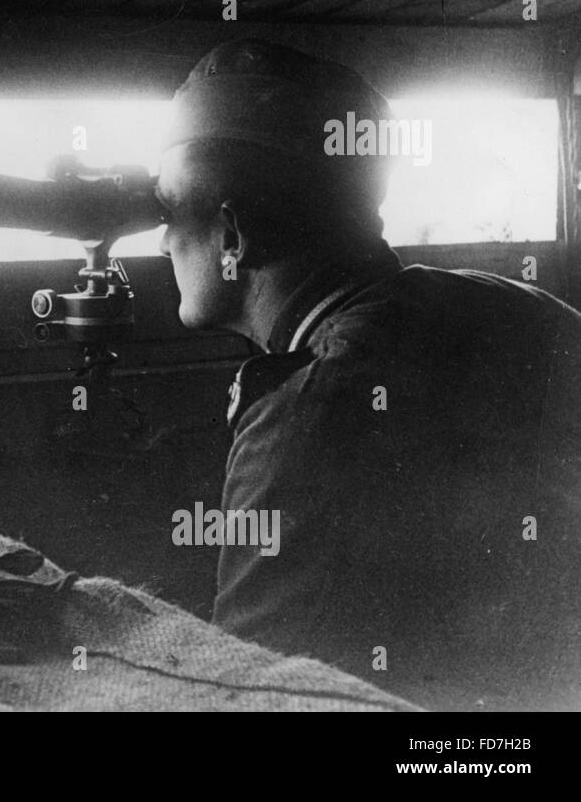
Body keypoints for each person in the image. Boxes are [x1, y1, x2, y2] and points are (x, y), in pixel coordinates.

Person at [154, 38, 581, 706]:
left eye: (170, 211)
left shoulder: (307, 413)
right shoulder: (514, 305)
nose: (162, 241)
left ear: (234, 237)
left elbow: (248, 696)